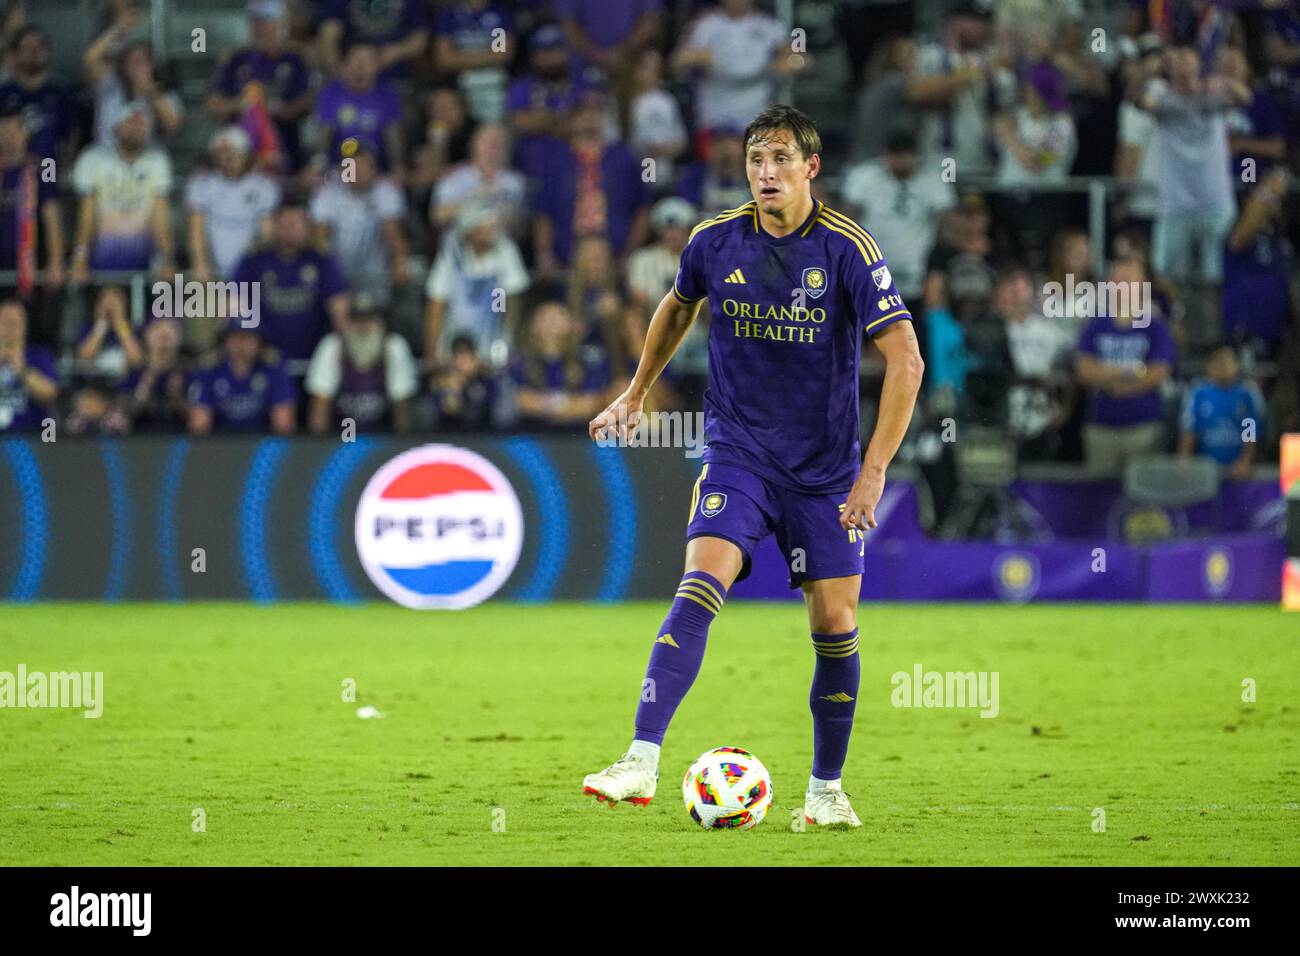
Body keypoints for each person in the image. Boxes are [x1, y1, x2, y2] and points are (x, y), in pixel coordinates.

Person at [581, 105, 924, 827]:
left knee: (835, 624)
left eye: (780, 159)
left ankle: (826, 792)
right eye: (755, 160)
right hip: (738, 452)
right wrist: (637, 391)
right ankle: (641, 760)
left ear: (810, 168)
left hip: (826, 472)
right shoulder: (715, 240)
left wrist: (873, 472)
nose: (765, 173)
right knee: (702, 580)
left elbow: (907, 360)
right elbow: (677, 309)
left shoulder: (848, 250)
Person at [1074, 257, 1176, 473]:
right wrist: (1131, 371)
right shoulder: (1096, 324)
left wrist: (1117, 383)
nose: (1124, 284)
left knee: (1144, 500)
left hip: (1144, 428)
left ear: (1142, 284)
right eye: (1119, 279)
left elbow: (1158, 372)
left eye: (1129, 279)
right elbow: (1084, 370)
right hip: (1102, 428)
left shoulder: (1155, 325)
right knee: (1099, 499)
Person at [230, 199, 349, 363]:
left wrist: (343, 349)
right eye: (285, 224)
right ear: (274, 225)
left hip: (317, 358)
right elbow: (236, 307)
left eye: (296, 224)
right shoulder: (254, 260)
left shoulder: (320, 260)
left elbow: (338, 307)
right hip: (265, 359)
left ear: (306, 227)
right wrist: (255, 348)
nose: (291, 230)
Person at [70, 100, 173, 282]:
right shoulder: (93, 158)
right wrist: (80, 258)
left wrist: (166, 258)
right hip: (101, 256)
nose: (136, 128)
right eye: (130, 123)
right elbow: (87, 214)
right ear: (115, 127)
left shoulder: (158, 161)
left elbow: (160, 216)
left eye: (141, 124)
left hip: (144, 257)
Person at [305, 293, 418, 434]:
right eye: (356, 320)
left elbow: (402, 410)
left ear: (382, 323)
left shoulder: (394, 347)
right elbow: (319, 411)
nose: (363, 327)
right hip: (339, 441)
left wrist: (398, 449)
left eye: (369, 320)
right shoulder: (332, 347)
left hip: (384, 441)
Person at [185, 126, 280, 281]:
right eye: (221, 152)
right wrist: (200, 263)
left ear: (245, 154)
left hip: (252, 270)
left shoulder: (264, 187)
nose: (227, 157)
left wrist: (258, 263)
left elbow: (267, 232)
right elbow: (196, 229)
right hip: (213, 273)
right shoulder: (201, 186)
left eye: (232, 152)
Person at [187, 320, 296, 435]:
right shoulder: (209, 370)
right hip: (219, 445)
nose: (241, 344)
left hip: (263, 445)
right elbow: (199, 425)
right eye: (235, 337)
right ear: (225, 341)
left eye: (248, 337)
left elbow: (283, 423)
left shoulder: (274, 369)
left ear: (260, 342)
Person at [1178, 344, 1263, 480]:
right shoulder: (1198, 393)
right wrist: (1185, 461)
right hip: (1205, 468)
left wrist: (1245, 462)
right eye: (1218, 362)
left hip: (1236, 467)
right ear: (1208, 367)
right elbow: (1189, 430)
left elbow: (1251, 434)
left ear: (1236, 365)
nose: (1224, 367)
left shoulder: (1247, 394)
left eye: (1228, 362)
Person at [0, 297, 57, 432]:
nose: (10, 329)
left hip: (29, 436)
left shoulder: (38, 355)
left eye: (15, 323)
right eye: (6, 323)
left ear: (25, 327)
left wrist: (23, 370)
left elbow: (50, 394)